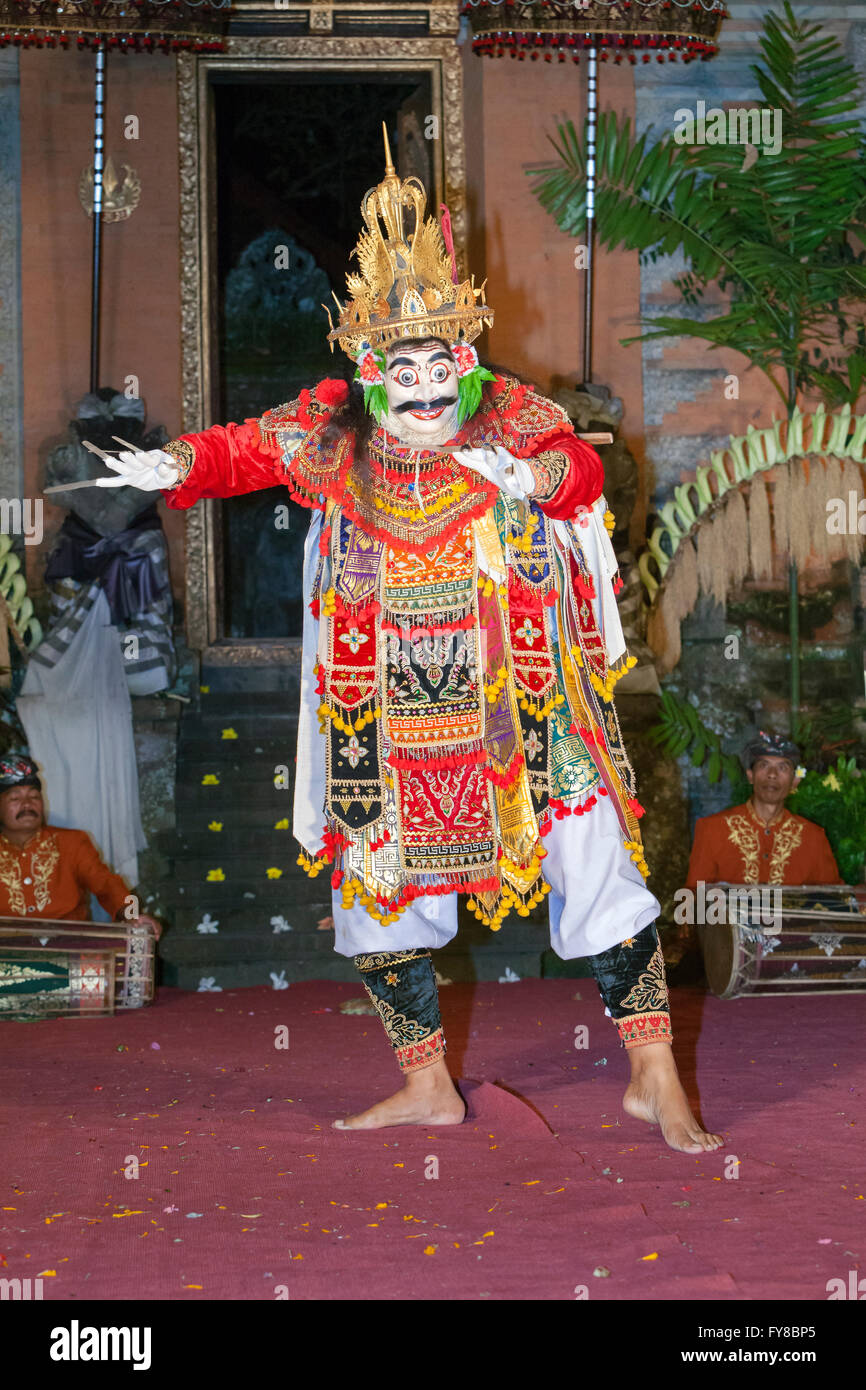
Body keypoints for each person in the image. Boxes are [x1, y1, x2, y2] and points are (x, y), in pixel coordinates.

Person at [96, 133, 721, 1152]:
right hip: (375, 712)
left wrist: (534, 480)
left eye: (441, 364)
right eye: (405, 367)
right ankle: (426, 1083)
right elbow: (240, 449)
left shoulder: (507, 414)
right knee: (375, 897)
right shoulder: (330, 431)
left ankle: (652, 1073)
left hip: (523, 697)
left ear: (463, 361)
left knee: (598, 855)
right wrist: (169, 466)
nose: (426, 388)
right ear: (371, 368)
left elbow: (579, 470)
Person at [0, 753, 163, 933]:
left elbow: (109, 885)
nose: (27, 805)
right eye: (15, 799)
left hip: (69, 947)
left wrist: (133, 916)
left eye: (34, 796)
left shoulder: (72, 843)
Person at [686, 732, 842, 890]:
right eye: (764, 765)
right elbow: (691, 903)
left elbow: (834, 900)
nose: (772, 775)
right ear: (750, 776)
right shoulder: (712, 829)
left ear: (794, 781)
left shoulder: (813, 837)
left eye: (782, 767)